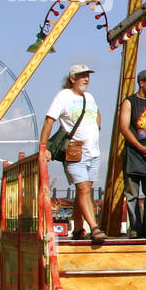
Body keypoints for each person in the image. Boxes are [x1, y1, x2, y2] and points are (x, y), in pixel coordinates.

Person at [40, 64, 104, 241]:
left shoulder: (89, 97)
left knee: (84, 190)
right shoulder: (63, 96)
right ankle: (94, 227)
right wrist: (43, 147)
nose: (86, 78)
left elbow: (97, 113)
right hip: (75, 150)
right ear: (72, 79)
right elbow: (49, 121)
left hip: (94, 152)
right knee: (83, 189)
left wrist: (96, 127)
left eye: (87, 76)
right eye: (82, 75)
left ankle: (77, 229)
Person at [118, 68, 146, 238]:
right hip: (134, 152)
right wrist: (139, 146)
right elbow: (124, 127)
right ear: (141, 83)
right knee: (132, 194)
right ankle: (135, 228)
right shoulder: (129, 102)